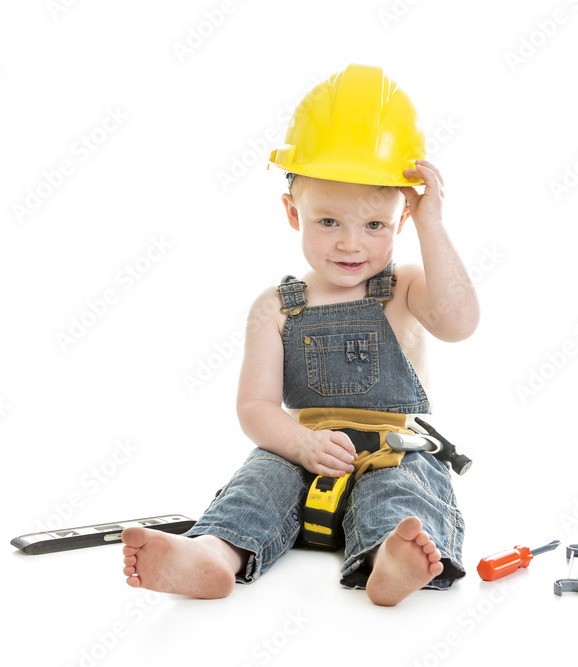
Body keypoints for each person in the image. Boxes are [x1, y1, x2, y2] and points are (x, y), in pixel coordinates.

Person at [120, 64, 479, 606]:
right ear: (293, 212)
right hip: (302, 452)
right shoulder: (275, 308)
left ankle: (389, 560)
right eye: (329, 221)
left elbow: (460, 322)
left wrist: (434, 224)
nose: (351, 243)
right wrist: (299, 444)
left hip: (391, 451)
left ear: (402, 219)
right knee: (259, 483)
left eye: (375, 225)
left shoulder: (405, 287)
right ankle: (212, 553)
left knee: (402, 490)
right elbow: (256, 407)